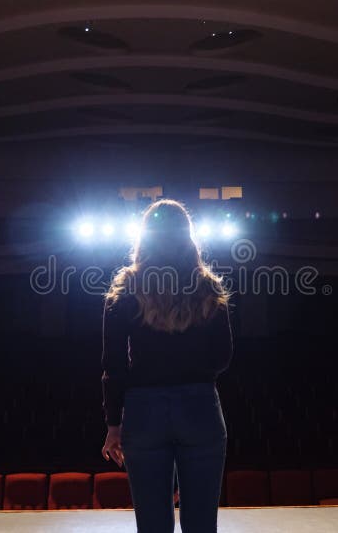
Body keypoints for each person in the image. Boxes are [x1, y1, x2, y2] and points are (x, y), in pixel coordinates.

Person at [100, 199, 233, 533]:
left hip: (144, 411)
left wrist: (113, 425)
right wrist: (189, 368)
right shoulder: (207, 286)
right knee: (201, 524)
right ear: (188, 236)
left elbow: (113, 367)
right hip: (200, 406)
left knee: (152, 525)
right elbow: (223, 356)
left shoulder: (126, 288)